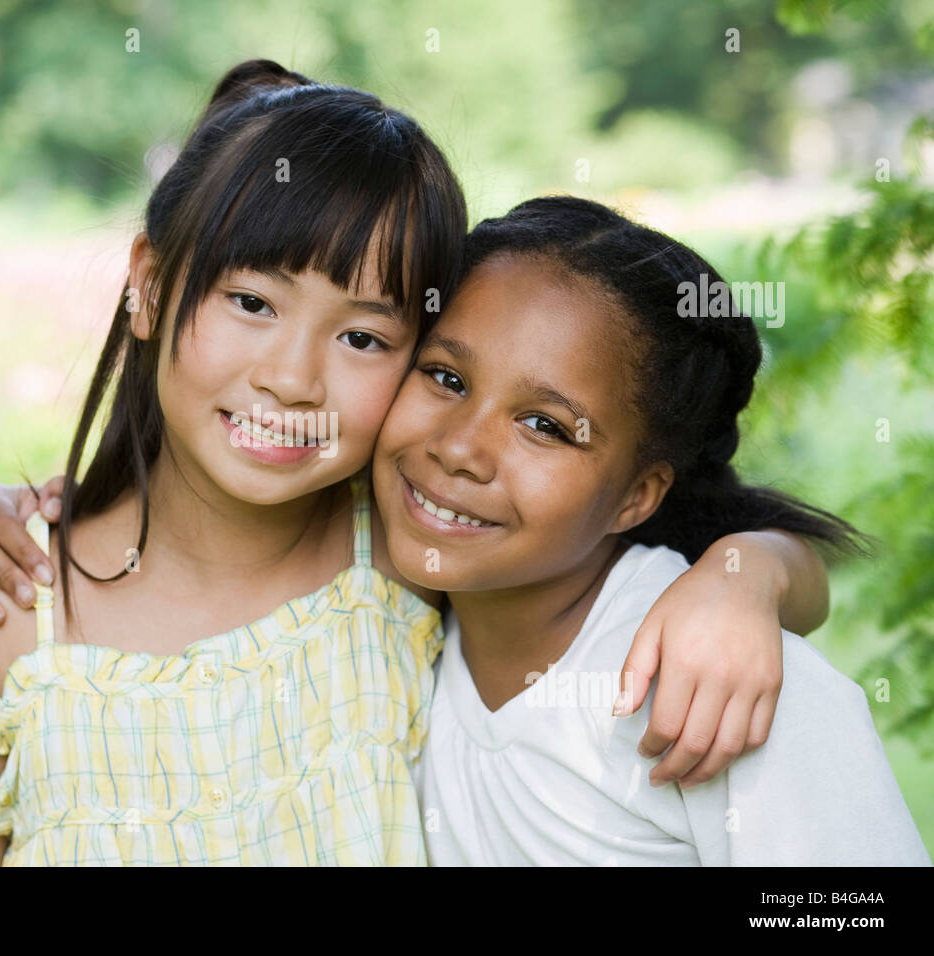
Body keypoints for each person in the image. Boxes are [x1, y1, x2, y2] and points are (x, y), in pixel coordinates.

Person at [0, 60, 830, 866]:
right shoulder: (13, 614)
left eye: (362, 335)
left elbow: (661, 552)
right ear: (146, 286)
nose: (293, 379)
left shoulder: (403, 553)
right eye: (253, 303)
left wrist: (744, 575)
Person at [379, 196, 930, 865]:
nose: (459, 447)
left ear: (636, 497)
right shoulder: (391, 628)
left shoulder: (721, 681)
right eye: (445, 376)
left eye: (545, 426)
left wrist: (754, 569)